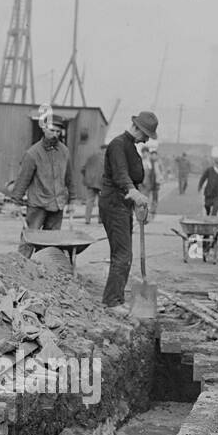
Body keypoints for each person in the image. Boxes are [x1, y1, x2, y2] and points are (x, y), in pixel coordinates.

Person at [99, 111, 157, 312]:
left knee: (125, 254)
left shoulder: (130, 147)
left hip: (122, 205)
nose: (147, 139)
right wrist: (133, 192)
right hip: (113, 204)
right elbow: (121, 174)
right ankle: (112, 302)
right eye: (146, 134)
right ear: (138, 128)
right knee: (122, 255)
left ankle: (115, 298)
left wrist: (137, 202)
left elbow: (132, 178)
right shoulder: (118, 145)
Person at [11, 120, 76, 230]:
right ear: (44, 129)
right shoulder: (33, 153)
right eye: (52, 130)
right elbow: (23, 179)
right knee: (30, 238)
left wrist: (72, 200)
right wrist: (16, 202)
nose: (55, 134)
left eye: (58, 132)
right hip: (38, 204)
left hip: (57, 204)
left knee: (51, 240)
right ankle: (26, 248)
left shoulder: (64, 151)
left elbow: (69, 178)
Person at [139, 139, 162, 217]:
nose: (144, 154)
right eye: (143, 153)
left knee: (148, 198)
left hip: (149, 183)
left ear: (148, 153)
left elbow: (155, 173)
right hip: (141, 183)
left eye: (145, 153)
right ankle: (143, 213)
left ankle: (147, 213)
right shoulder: (140, 161)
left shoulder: (151, 162)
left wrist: (157, 181)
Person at [81, 148, 104, 225]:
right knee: (101, 202)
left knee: (90, 201)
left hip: (90, 183)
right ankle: (100, 220)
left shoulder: (91, 157)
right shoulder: (106, 159)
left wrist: (87, 177)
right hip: (101, 183)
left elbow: (83, 169)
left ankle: (87, 219)